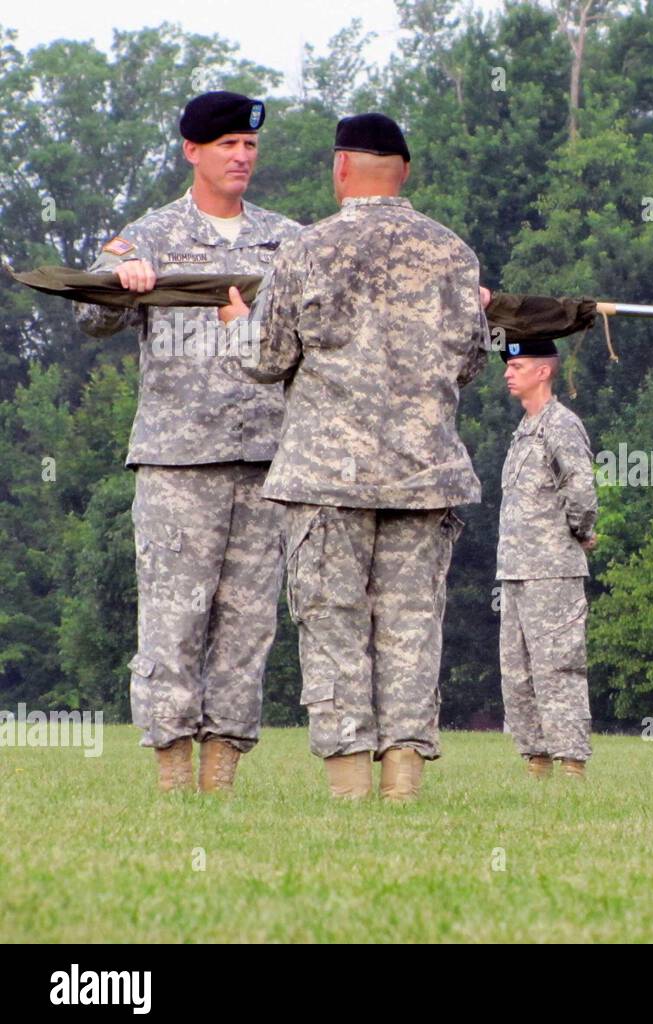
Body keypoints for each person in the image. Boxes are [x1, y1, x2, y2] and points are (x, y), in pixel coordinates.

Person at [239, 113, 487, 802]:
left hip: (327, 476)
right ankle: (403, 782)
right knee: (412, 628)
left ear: (341, 167)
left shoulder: (306, 250)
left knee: (332, 624)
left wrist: (239, 326)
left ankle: (348, 785)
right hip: (425, 473)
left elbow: (267, 360)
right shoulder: (455, 255)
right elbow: (467, 362)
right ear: (404, 172)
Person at [76, 91, 300, 793]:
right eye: (228, 143)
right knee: (174, 620)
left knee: (247, 626)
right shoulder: (151, 234)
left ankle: (222, 780)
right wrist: (122, 286)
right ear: (192, 152)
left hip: (266, 458)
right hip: (178, 461)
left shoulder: (290, 240)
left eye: (250, 145)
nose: (241, 156)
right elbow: (88, 313)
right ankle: (175, 775)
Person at [495, 339, 599, 778]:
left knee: (558, 669)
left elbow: (580, 486)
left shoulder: (561, 424)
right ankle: (536, 764)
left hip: (553, 570)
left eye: (517, 365)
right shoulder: (524, 430)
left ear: (544, 372)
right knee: (518, 676)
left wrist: (581, 532)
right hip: (517, 571)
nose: (507, 373)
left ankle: (571, 766)